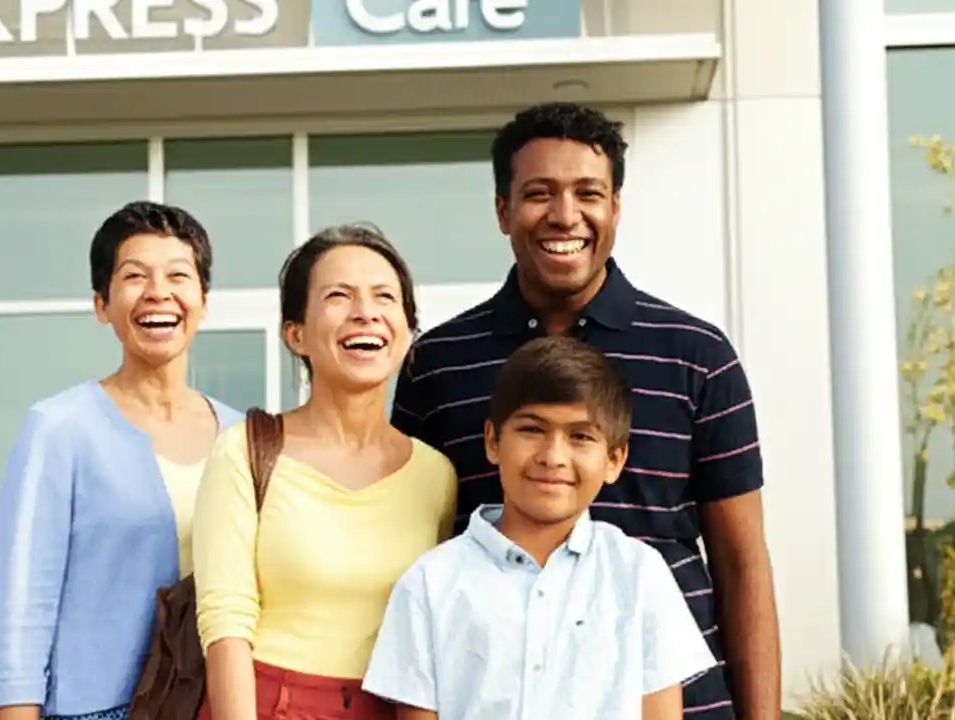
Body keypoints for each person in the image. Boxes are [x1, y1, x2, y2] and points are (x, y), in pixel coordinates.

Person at [391, 102, 780, 719]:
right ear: (502, 210)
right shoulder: (437, 364)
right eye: (539, 193)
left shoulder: (698, 357)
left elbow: (741, 562)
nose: (565, 215)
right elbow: (421, 544)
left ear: (615, 208)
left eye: (588, 193)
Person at [364, 336, 716, 719]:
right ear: (493, 441)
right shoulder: (430, 584)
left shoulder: (639, 574)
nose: (553, 457)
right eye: (532, 430)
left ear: (614, 459)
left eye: (580, 437)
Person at [192, 224, 458, 720]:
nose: (366, 312)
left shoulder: (435, 475)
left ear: (405, 333)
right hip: (268, 703)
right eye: (339, 295)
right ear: (296, 334)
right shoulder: (243, 452)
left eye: (384, 297)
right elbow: (225, 622)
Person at [0, 201, 242, 720]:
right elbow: (23, 610)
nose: (158, 292)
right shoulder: (59, 428)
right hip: (99, 709)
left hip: (211, 706)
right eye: (134, 276)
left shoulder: (241, 436)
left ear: (203, 301)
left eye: (178, 275)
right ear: (101, 304)